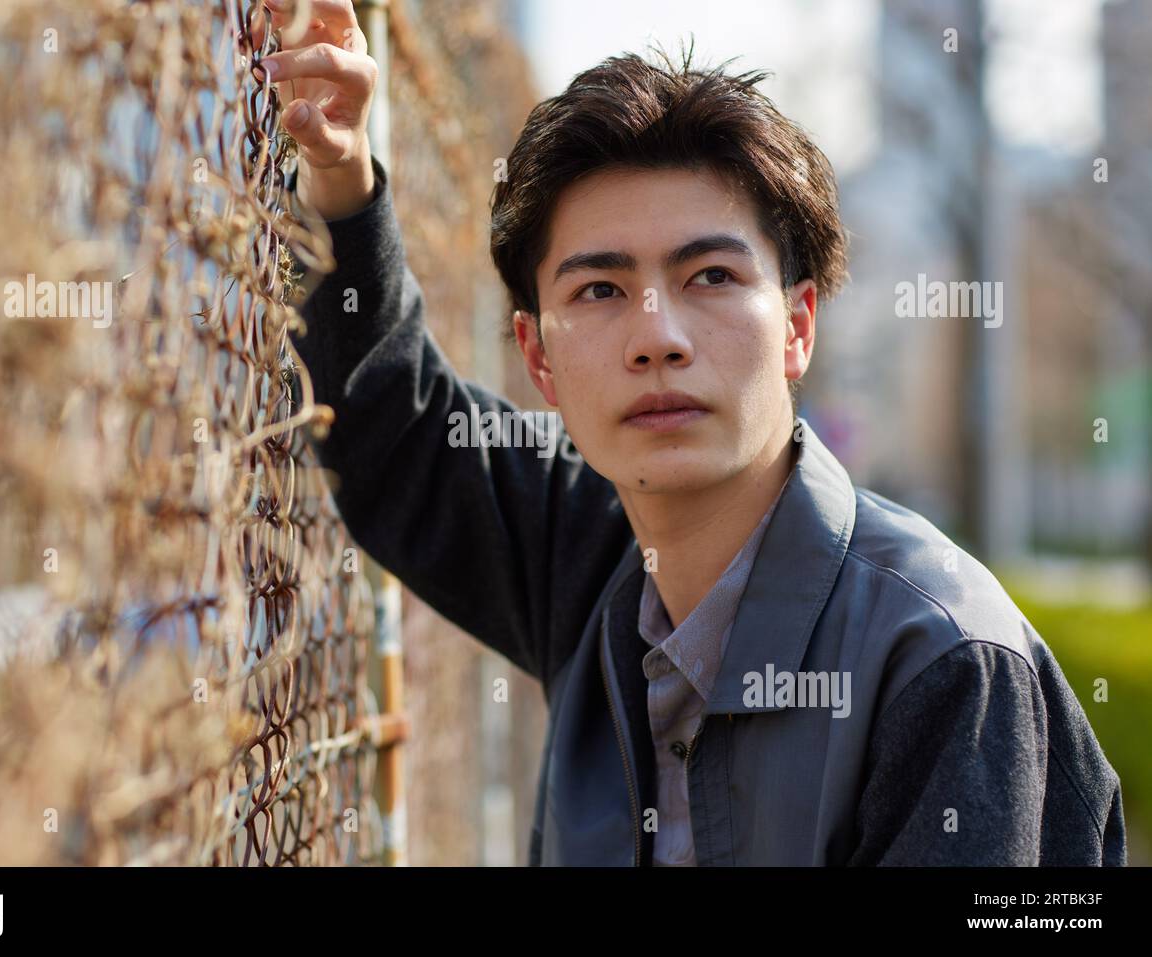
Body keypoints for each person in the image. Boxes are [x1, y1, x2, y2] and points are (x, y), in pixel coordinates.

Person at [257, 0, 1125, 866]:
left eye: (710, 276)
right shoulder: (594, 558)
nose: (657, 336)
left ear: (798, 326)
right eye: (600, 290)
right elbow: (394, 437)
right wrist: (337, 168)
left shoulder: (944, 662)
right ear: (539, 356)